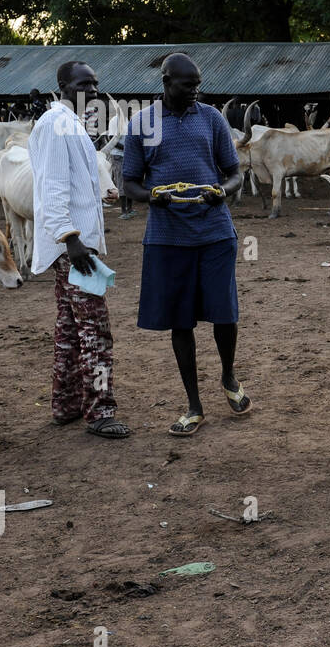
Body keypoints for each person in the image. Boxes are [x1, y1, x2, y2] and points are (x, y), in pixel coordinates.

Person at [122, 53, 248, 437]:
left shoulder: (211, 118)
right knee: (181, 320)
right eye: (187, 84)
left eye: (197, 84)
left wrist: (220, 193)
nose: (195, 90)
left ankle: (228, 374)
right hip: (167, 237)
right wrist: (150, 198)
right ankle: (194, 406)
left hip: (215, 233)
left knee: (224, 313)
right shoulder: (142, 124)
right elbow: (130, 182)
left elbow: (234, 174)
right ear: (166, 82)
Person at [28, 61, 130, 439]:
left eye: (96, 84)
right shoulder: (57, 125)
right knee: (95, 331)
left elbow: (72, 181)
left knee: (70, 329)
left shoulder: (69, 125)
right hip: (74, 248)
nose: (92, 90)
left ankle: (65, 404)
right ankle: (99, 412)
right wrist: (72, 239)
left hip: (73, 246)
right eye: (84, 83)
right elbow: (52, 189)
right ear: (63, 86)